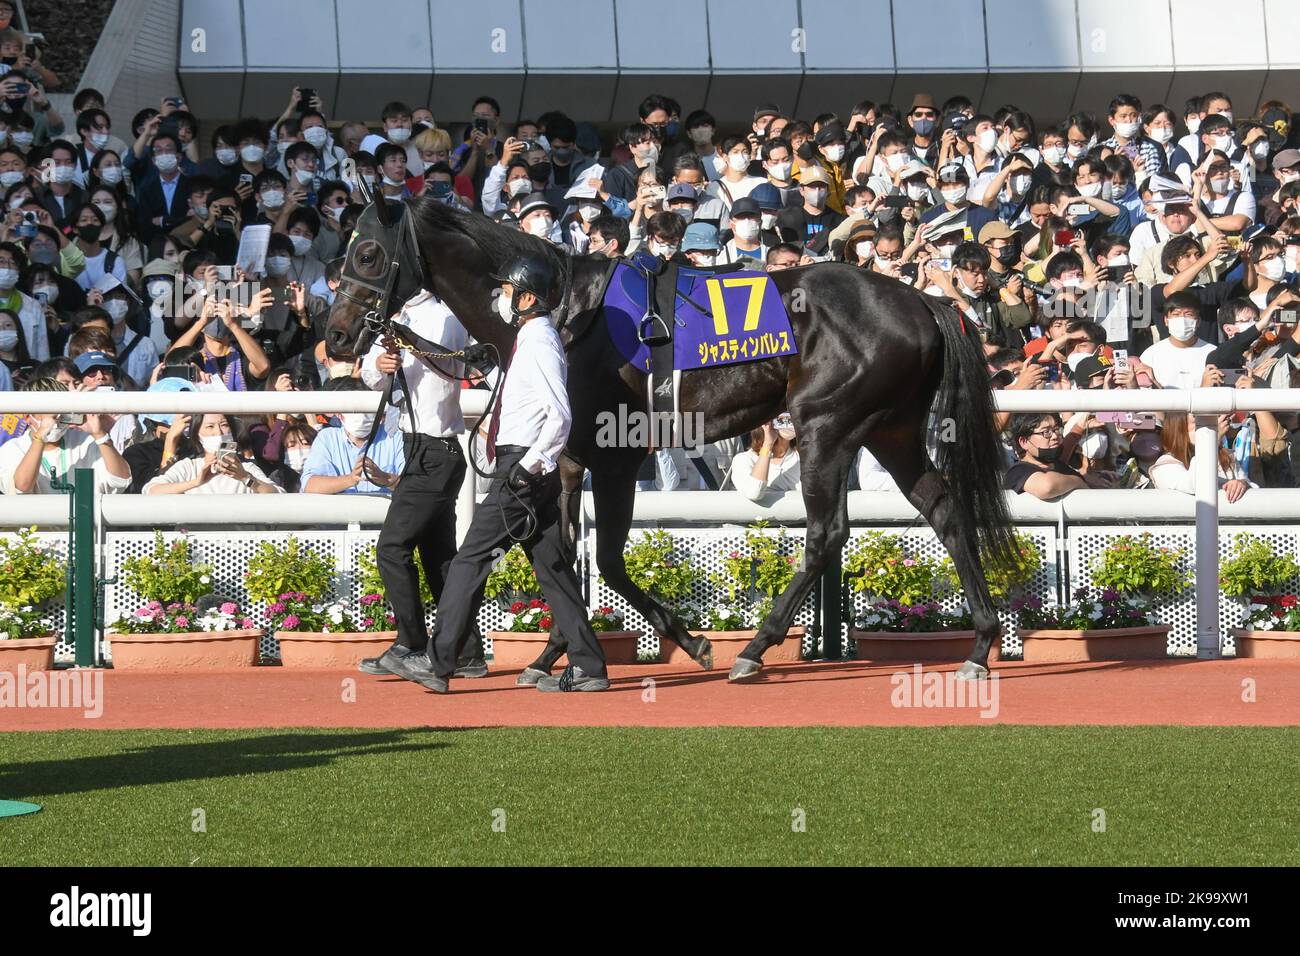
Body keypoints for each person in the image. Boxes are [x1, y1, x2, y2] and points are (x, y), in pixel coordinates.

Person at [382, 256, 610, 693]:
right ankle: (589, 665)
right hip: (524, 467)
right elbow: (521, 396)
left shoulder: (540, 341)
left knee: (470, 559)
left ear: (527, 298)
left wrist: (530, 467)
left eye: (507, 291)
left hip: (521, 469)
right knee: (552, 568)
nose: (500, 298)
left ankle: (439, 661)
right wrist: (483, 368)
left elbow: (560, 415)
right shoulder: (528, 339)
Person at [357, 284, 485, 679]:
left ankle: (410, 642)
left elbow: (443, 363)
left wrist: (402, 345)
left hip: (434, 450)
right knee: (438, 559)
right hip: (420, 449)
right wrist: (379, 363)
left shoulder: (444, 316)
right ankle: (465, 651)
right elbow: (369, 375)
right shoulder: (395, 316)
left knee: (392, 548)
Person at [0, 377, 132, 495]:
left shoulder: (85, 440)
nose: (57, 419)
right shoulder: (13, 448)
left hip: (84, 520)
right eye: (49, 412)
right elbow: (22, 487)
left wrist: (100, 435)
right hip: (39, 522)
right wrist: (41, 436)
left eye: (61, 412)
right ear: (28, 417)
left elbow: (121, 480)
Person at [300, 378, 405, 495]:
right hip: (340, 512)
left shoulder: (395, 436)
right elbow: (310, 485)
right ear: (339, 414)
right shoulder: (327, 438)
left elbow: (414, 485)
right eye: (353, 410)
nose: (361, 415)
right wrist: (350, 479)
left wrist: (386, 479)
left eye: (366, 409)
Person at [142, 413, 282, 495]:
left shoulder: (246, 467)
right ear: (197, 435)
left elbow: (277, 494)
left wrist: (246, 478)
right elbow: (151, 490)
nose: (219, 432)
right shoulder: (189, 467)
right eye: (210, 427)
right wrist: (196, 482)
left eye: (224, 425)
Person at [1003, 412, 1116, 500]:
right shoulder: (1018, 471)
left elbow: (1068, 444)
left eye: (1056, 429)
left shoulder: (1054, 463)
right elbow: (1047, 487)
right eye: (1046, 432)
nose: (1054, 436)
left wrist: (1080, 426)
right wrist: (1080, 481)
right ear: (1024, 441)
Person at [1149, 412, 1253, 502]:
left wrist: (1242, 484)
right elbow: (1196, 484)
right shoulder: (1164, 465)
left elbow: (1252, 487)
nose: (1208, 426)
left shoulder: (1226, 456)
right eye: (1197, 420)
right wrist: (1210, 441)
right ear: (1178, 427)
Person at [730, 418, 801, 501]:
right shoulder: (743, 459)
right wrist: (768, 443)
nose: (790, 419)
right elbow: (754, 493)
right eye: (784, 415)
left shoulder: (803, 457)